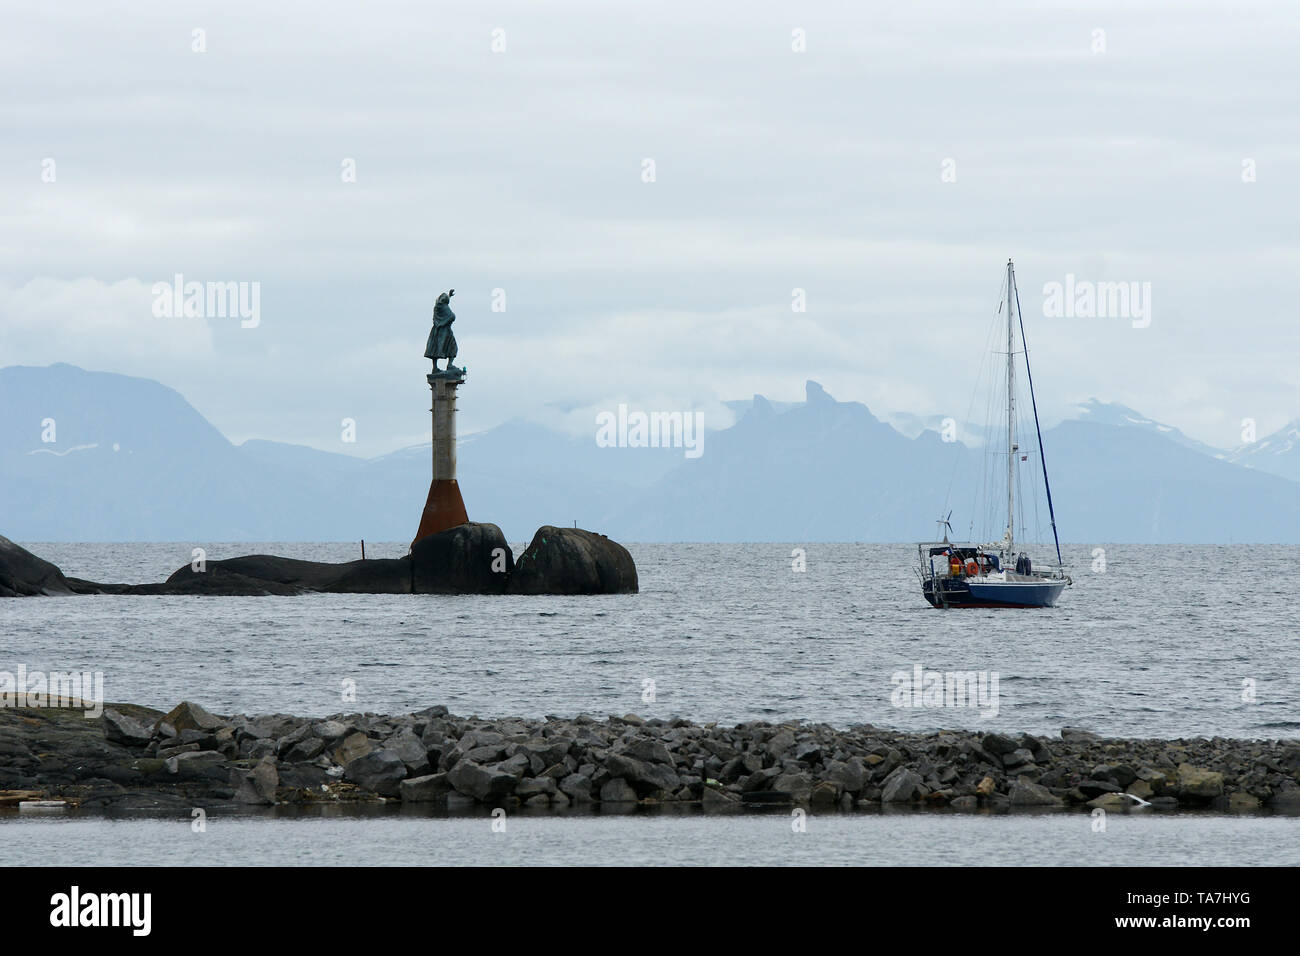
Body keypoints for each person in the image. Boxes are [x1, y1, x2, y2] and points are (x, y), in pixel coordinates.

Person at [425, 289, 459, 372]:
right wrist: (445, 322)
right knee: (453, 347)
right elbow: (452, 316)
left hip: (436, 330)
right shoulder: (444, 307)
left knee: (434, 349)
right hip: (445, 331)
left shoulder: (437, 306)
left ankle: (435, 367)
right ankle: (450, 365)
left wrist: (449, 296)